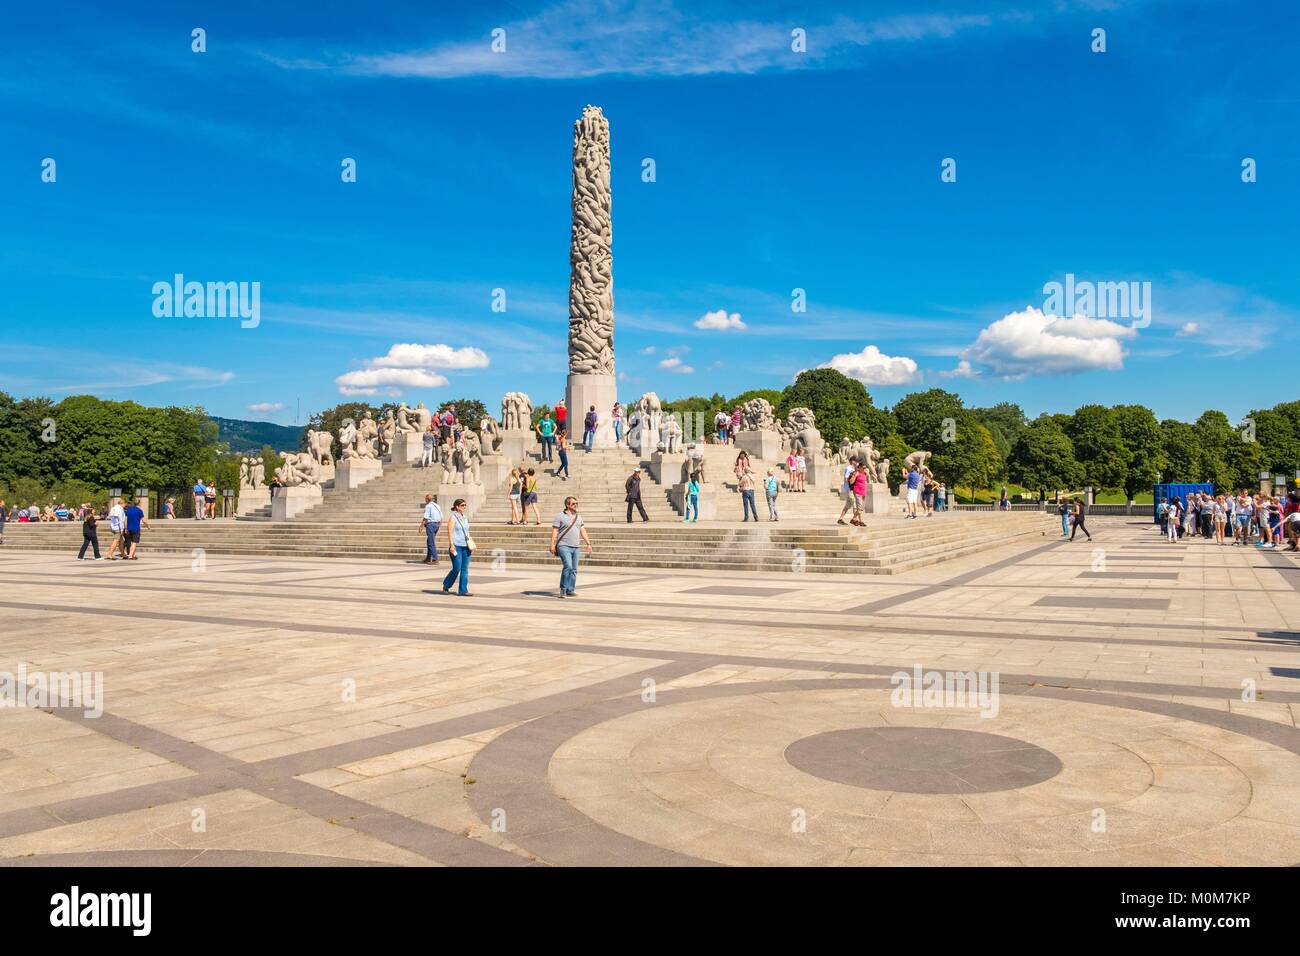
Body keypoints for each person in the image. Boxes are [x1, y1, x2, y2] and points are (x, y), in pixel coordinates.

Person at [550, 495, 594, 599]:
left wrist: (588, 543)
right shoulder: (560, 516)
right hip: (563, 546)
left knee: (574, 569)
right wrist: (552, 544)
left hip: (576, 547)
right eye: (573, 503)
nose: (576, 505)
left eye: (576, 503)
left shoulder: (579, 517)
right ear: (567, 505)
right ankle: (563, 589)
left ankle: (570, 589)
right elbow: (555, 531)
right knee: (568, 566)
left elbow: (583, 531)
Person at [441, 498, 473, 596]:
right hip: (456, 546)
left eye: (465, 505)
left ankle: (463, 590)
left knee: (465, 569)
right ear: (457, 507)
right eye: (462, 505)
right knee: (457, 568)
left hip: (466, 546)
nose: (464, 507)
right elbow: (450, 532)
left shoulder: (466, 517)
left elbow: (467, 532)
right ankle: (446, 585)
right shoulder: (453, 518)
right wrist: (451, 545)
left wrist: (471, 545)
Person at [421, 493, 443, 565]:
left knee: (431, 542)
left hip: (431, 525)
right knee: (429, 541)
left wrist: (421, 526)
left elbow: (426, 517)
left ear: (427, 499)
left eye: (425, 499)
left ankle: (435, 559)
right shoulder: (437, 506)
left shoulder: (428, 506)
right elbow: (441, 517)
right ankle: (428, 558)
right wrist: (439, 526)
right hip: (436, 524)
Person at [837, 457, 858, 526]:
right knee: (854, 503)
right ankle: (855, 519)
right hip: (849, 489)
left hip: (852, 489)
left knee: (847, 505)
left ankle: (840, 519)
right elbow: (846, 478)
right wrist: (848, 487)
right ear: (852, 461)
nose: (857, 462)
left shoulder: (854, 469)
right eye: (856, 461)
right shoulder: (849, 468)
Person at [850, 462, 869, 527]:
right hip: (857, 491)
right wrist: (854, 475)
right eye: (863, 468)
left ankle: (860, 521)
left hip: (863, 492)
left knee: (861, 508)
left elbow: (864, 483)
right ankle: (854, 518)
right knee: (860, 507)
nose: (864, 469)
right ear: (860, 467)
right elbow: (851, 481)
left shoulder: (864, 474)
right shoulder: (857, 473)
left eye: (865, 468)